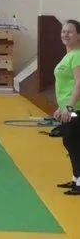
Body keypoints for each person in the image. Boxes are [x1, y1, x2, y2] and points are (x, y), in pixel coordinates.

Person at [53, 20, 80, 194]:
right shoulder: (68, 55)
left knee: (75, 143)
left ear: (78, 35)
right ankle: (75, 178)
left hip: (76, 110)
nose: (65, 34)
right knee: (69, 143)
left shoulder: (77, 54)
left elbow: (79, 82)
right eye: (63, 31)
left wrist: (69, 107)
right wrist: (60, 107)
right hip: (67, 110)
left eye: (70, 32)